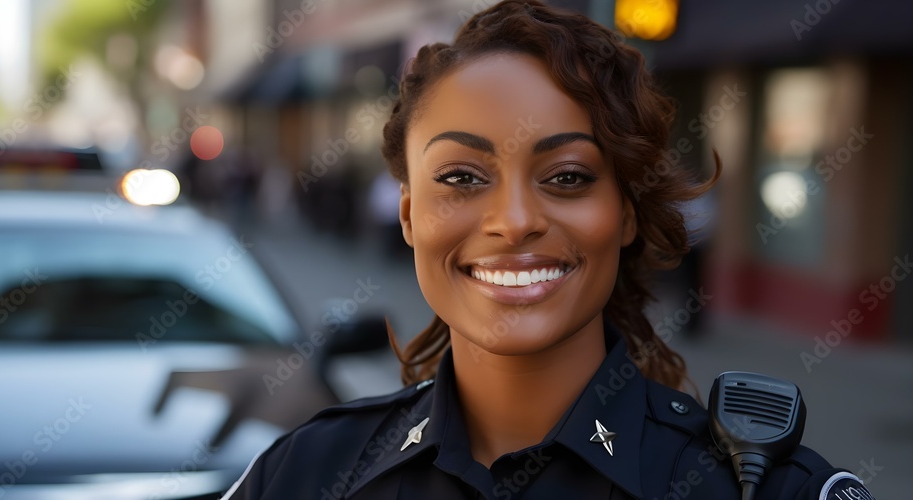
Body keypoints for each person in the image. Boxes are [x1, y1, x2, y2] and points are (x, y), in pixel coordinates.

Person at [222, 1, 876, 498]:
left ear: (624, 213)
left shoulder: (760, 487)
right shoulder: (304, 473)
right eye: (461, 178)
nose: (513, 221)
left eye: (567, 177)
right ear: (409, 214)